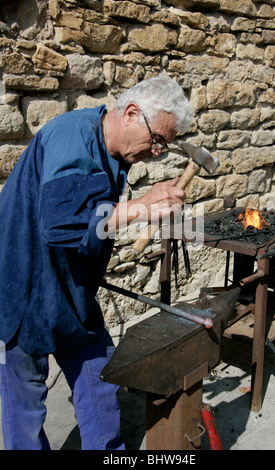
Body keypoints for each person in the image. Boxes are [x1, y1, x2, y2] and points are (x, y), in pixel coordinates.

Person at [0, 73, 194, 450]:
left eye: (164, 146)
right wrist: (138, 208)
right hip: (23, 290)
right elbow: (60, 224)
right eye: (157, 140)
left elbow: (91, 219)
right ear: (132, 113)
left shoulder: (115, 152)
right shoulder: (72, 137)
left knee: (100, 383)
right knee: (24, 411)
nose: (157, 152)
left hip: (73, 292)